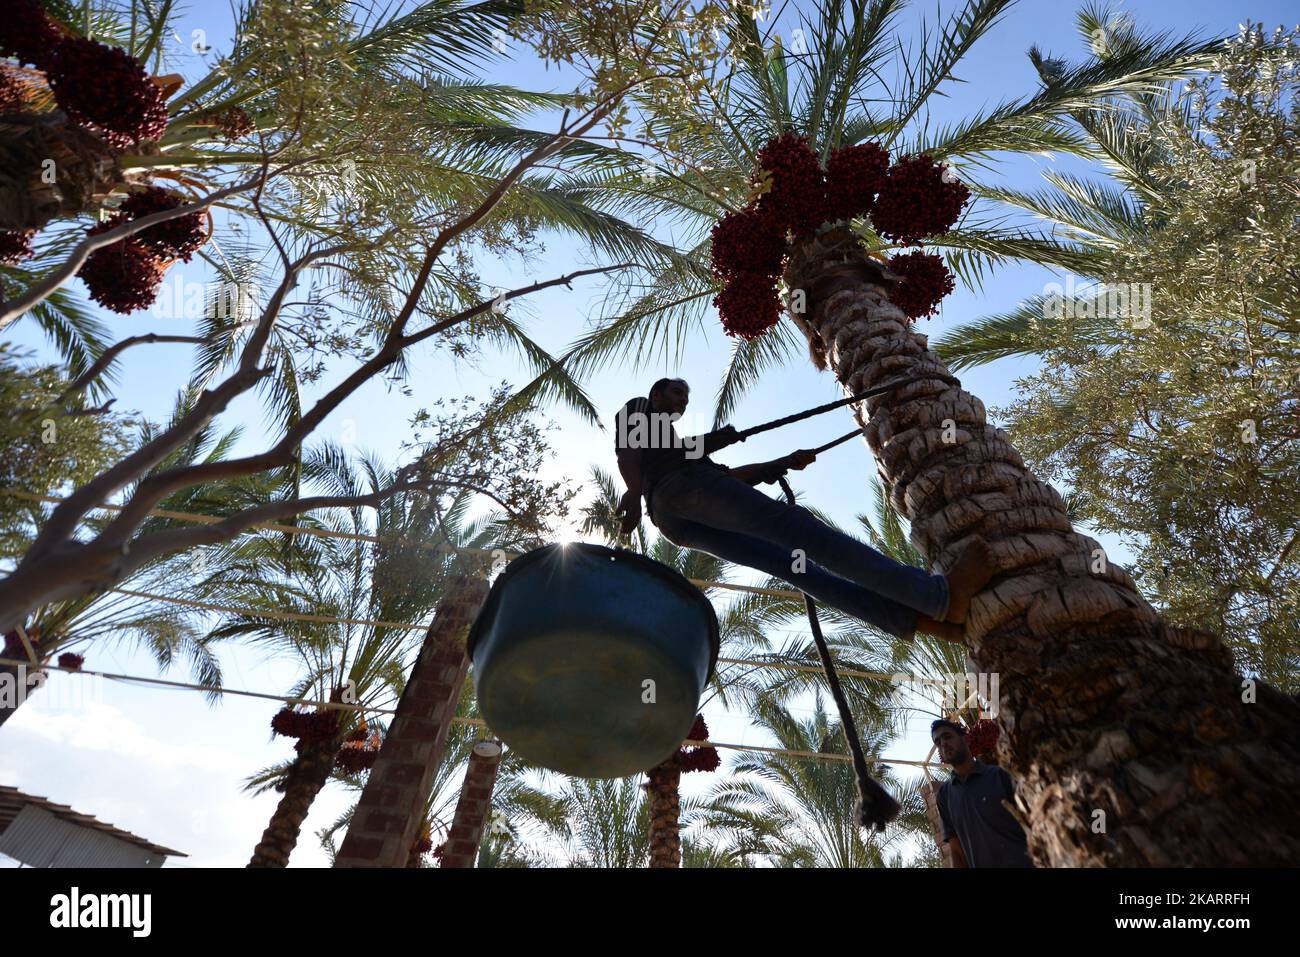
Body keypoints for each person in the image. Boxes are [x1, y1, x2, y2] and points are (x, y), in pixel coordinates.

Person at [612, 377, 995, 643]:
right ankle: (936, 597)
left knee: (793, 565)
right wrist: (631, 490)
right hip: (675, 493)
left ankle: (918, 620)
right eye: (677, 394)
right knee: (797, 530)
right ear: (656, 394)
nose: (682, 401)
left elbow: (726, 478)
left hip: (675, 519)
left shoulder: (672, 447)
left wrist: (781, 461)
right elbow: (632, 446)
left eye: (686, 398)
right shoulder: (641, 410)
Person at [931, 719, 1034, 867]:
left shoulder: (1000, 775)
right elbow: (956, 851)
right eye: (938, 742)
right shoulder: (944, 796)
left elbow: (1032, 822)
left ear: (965, 739)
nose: (943, 744)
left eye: (947, 737)